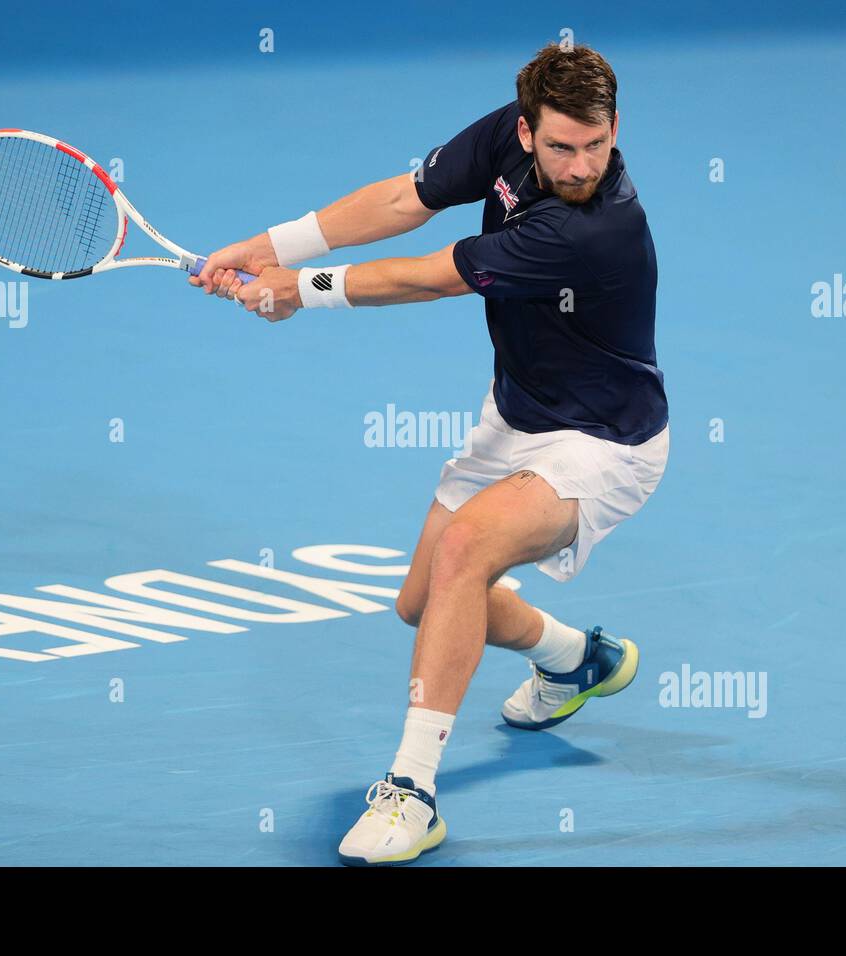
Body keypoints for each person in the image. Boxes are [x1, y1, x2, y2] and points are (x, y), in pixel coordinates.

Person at [191, 42, 669, 866]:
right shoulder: (504, 140)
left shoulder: (597, 230)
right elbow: (405, 200)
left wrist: (297, 290)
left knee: (464, 550)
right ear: (525, 132)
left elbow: (432, 277)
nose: (582, 162)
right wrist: (268, 247)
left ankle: (411, 794)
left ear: (614, 127)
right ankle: (576, 659)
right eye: (561, 146)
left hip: (606, 443)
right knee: (425, 603)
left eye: (596, 144)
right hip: (516, 412)